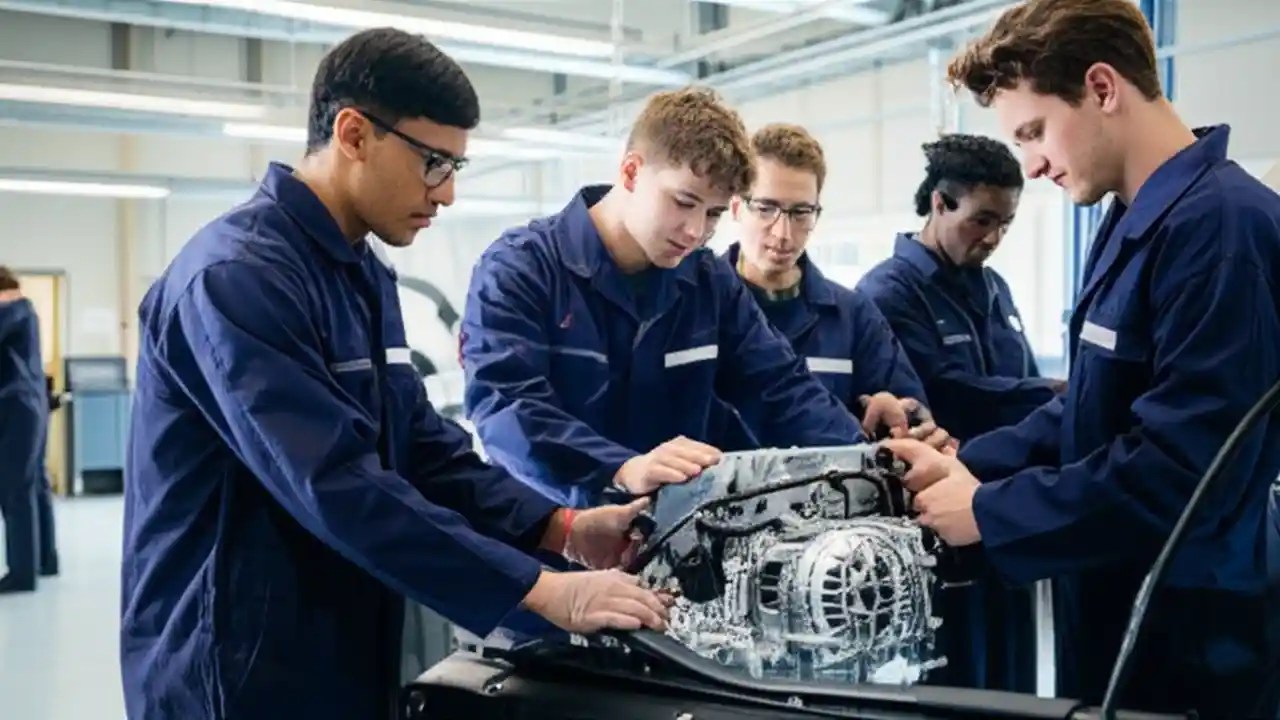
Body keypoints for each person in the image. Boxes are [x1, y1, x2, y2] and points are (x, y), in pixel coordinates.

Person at [121, 28, 672, 720]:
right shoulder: (236, 279)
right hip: (232, 659)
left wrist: (561, 528)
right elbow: (336, 481)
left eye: (455, 169)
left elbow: (420, 446)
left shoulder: (361, 273)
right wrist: (538, 590)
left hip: (338, 635)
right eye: (433, 163)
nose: (444, 195)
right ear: (353, 133)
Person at [883, 0, 1280, 716]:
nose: (1031, 164)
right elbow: (1091, 405)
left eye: (1034, 132)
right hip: (1115, 602)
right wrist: (974, 463)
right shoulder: (1133, 217)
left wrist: (990, 512)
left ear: (1102, 88)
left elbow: (1181, 472)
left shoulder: (1221, 228)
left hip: (1191, 636)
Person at [460, 87, 923, 512]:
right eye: (683, 202)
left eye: (714, 214)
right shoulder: (520, 269)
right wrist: (620, 469)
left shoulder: (707, 280)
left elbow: (780, 387)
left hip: (670, 545)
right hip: (552, 543)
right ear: (631, 171)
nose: (696, 231)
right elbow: (507, 406)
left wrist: (874, 463)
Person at [722, 122, 943, 446]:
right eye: (766, 208)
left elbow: (912, 418)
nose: (783, 233)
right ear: (737, 207)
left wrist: (895, 414)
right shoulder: (698, 309)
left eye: (800, 213)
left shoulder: (853, 317)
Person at [857, 134, 1062, 443]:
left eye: (1005, 224)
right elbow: (946, 394)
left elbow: (1026, 380)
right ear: (940, 204)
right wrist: (1055, 391)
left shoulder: (996, 288)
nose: (993, 238)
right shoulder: (887, 294)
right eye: (982, 221)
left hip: (1015, 469)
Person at [0, 267, 51, 594]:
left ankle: (21, 574)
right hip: (30, 405)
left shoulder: (13, 311)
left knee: (15, 490)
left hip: (17, 407)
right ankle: (45, 559)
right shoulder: (25, 312)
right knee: (34, 486)